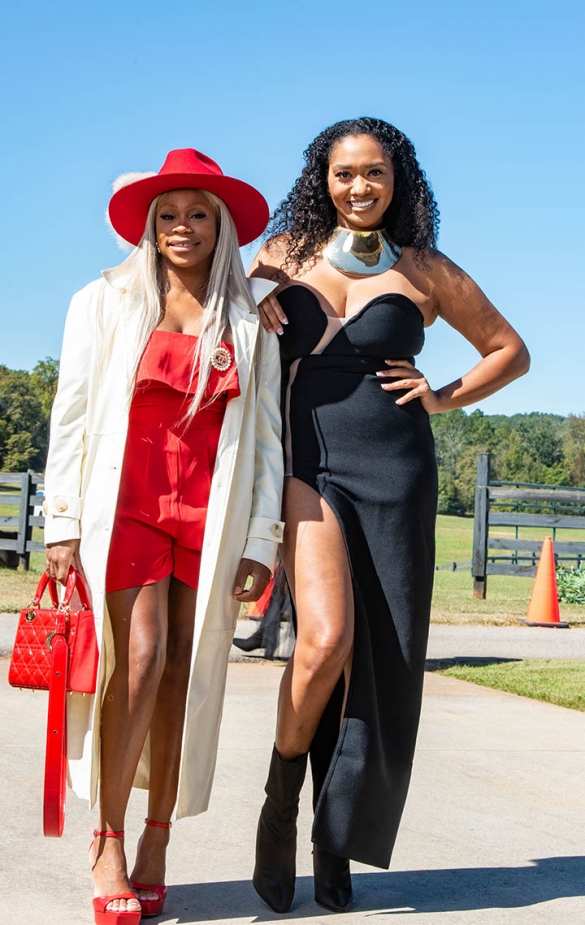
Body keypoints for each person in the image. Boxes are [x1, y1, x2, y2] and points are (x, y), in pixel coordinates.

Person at [248, 116, 530, 913]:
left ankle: (334, 837)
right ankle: (279, 807)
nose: (359, 187)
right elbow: (216, 316)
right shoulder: (282, 253)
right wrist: (255, 304)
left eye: (374, 172)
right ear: (322, 177)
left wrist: (442, 397)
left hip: (399, 468)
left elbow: (510, 348)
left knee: (379, 660)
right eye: (344, 173)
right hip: (309, 465)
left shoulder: (426, 268)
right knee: (326, 639)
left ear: (397, 178)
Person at [43, 148, 284, 925]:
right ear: (150, 225)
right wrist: (63, 525)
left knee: (185, 671)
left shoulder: (251, 321)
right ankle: (106, 838)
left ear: (221, 228)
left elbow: (270, 442)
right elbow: (71, 415)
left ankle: (156, 842)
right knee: (139, 659)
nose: (183, 227)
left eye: (199, 214)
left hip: (209, 521)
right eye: (169, 214)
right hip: (128, 511)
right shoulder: (103, 301)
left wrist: (262, 538)